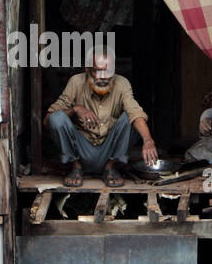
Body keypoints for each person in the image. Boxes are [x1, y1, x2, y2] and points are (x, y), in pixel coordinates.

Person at [46, 46, 157, 187]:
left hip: (109, 153)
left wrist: (148, 140)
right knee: (57, 118)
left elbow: (135, 112)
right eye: (98, 70)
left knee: (129, 117)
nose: (103, 76)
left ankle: (111, 168)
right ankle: (76, 167)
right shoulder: (76, 82)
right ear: (87, 70)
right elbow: (48, 119)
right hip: (82, 151)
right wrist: (76, 109)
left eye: (108, 70)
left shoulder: (122, 83)